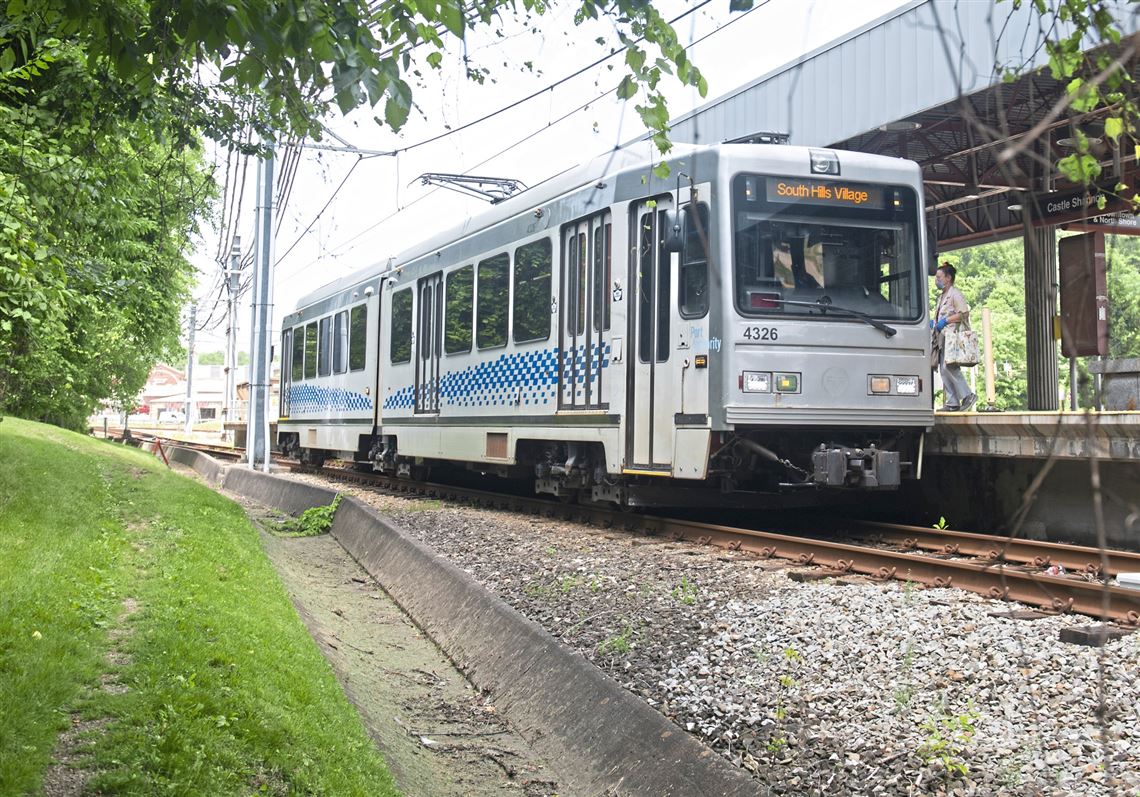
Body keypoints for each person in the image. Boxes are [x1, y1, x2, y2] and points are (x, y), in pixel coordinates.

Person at [931, 262, 977, 412]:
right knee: (944, 369)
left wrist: (946, 321)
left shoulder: (955, 294)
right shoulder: (942, 296)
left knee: (949, 366)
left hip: (952, 336)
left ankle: (968, 395)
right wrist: (936, 322)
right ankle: (952, 402)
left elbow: (964, 313)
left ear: (948, 278)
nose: (936, 280)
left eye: (939, 277)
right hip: (942, 337)